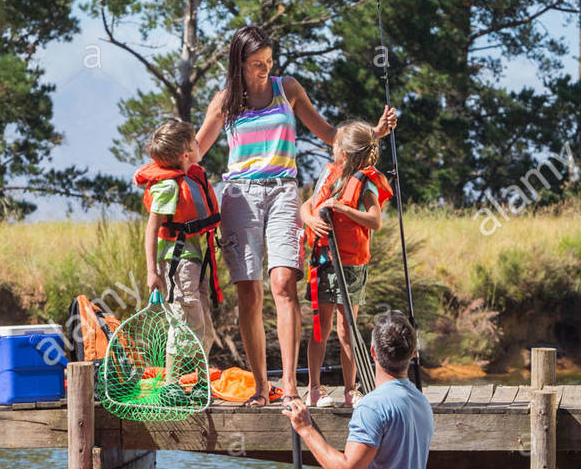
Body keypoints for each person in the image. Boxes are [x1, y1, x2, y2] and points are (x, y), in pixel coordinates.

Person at [195, 25, 396, 406]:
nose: (265, 70)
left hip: (283, 191)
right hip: (239, 197)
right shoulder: (224, 102)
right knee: (249, 293)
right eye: (257, 64)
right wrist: (164, 163)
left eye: (269, 62)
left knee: (284, 284)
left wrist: (375, 131)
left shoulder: (287, 89)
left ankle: (289, 388)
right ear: (239, 64)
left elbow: (331, 135)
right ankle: (259, 386)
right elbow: (196, 149)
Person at [268, 311, 432, 469]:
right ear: (412, 354)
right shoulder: (422, 402)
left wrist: (306, 429)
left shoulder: (373, 405)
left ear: (373, 352)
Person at [301, 120, 392, 408]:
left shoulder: (365, 183)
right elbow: (307, 205)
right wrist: (310, 219)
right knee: (320, 328)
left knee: (346, 330)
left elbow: (376, 221)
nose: (332, 148)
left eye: (337, 145)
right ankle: (314, 389)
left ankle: (351, 390)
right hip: (323, 263)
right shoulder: (329, 173)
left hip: (350, 265)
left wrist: (342, 207)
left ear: (349, 153)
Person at [137, 119, 222, 355]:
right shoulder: (168, 188)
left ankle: (194, 380)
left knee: (203, 328)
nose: (199, 143)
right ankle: (175, 385)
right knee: (186, 323)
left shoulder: (189, 178)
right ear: (186, 154)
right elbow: (152, 229)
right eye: (195, 141)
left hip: (192, 259)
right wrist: (152, 272)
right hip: (178, 262)